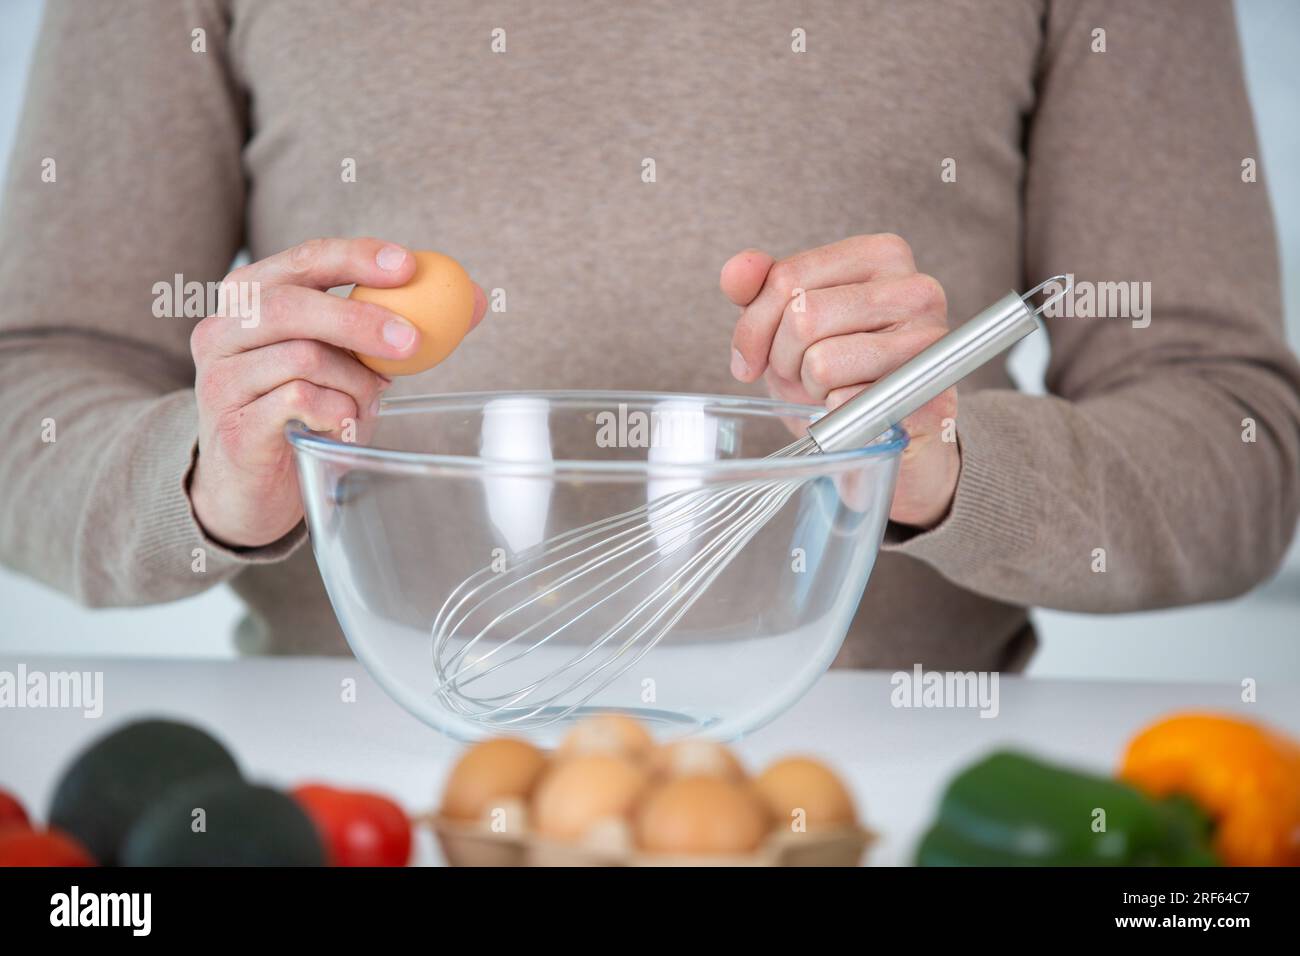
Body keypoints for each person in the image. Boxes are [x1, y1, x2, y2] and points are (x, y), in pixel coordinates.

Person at [1, 0, 1296, 665]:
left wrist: (947, 462)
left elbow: (1240, 450)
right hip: (357, 795)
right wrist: (209, 477)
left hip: (885, 799)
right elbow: (30, 398)